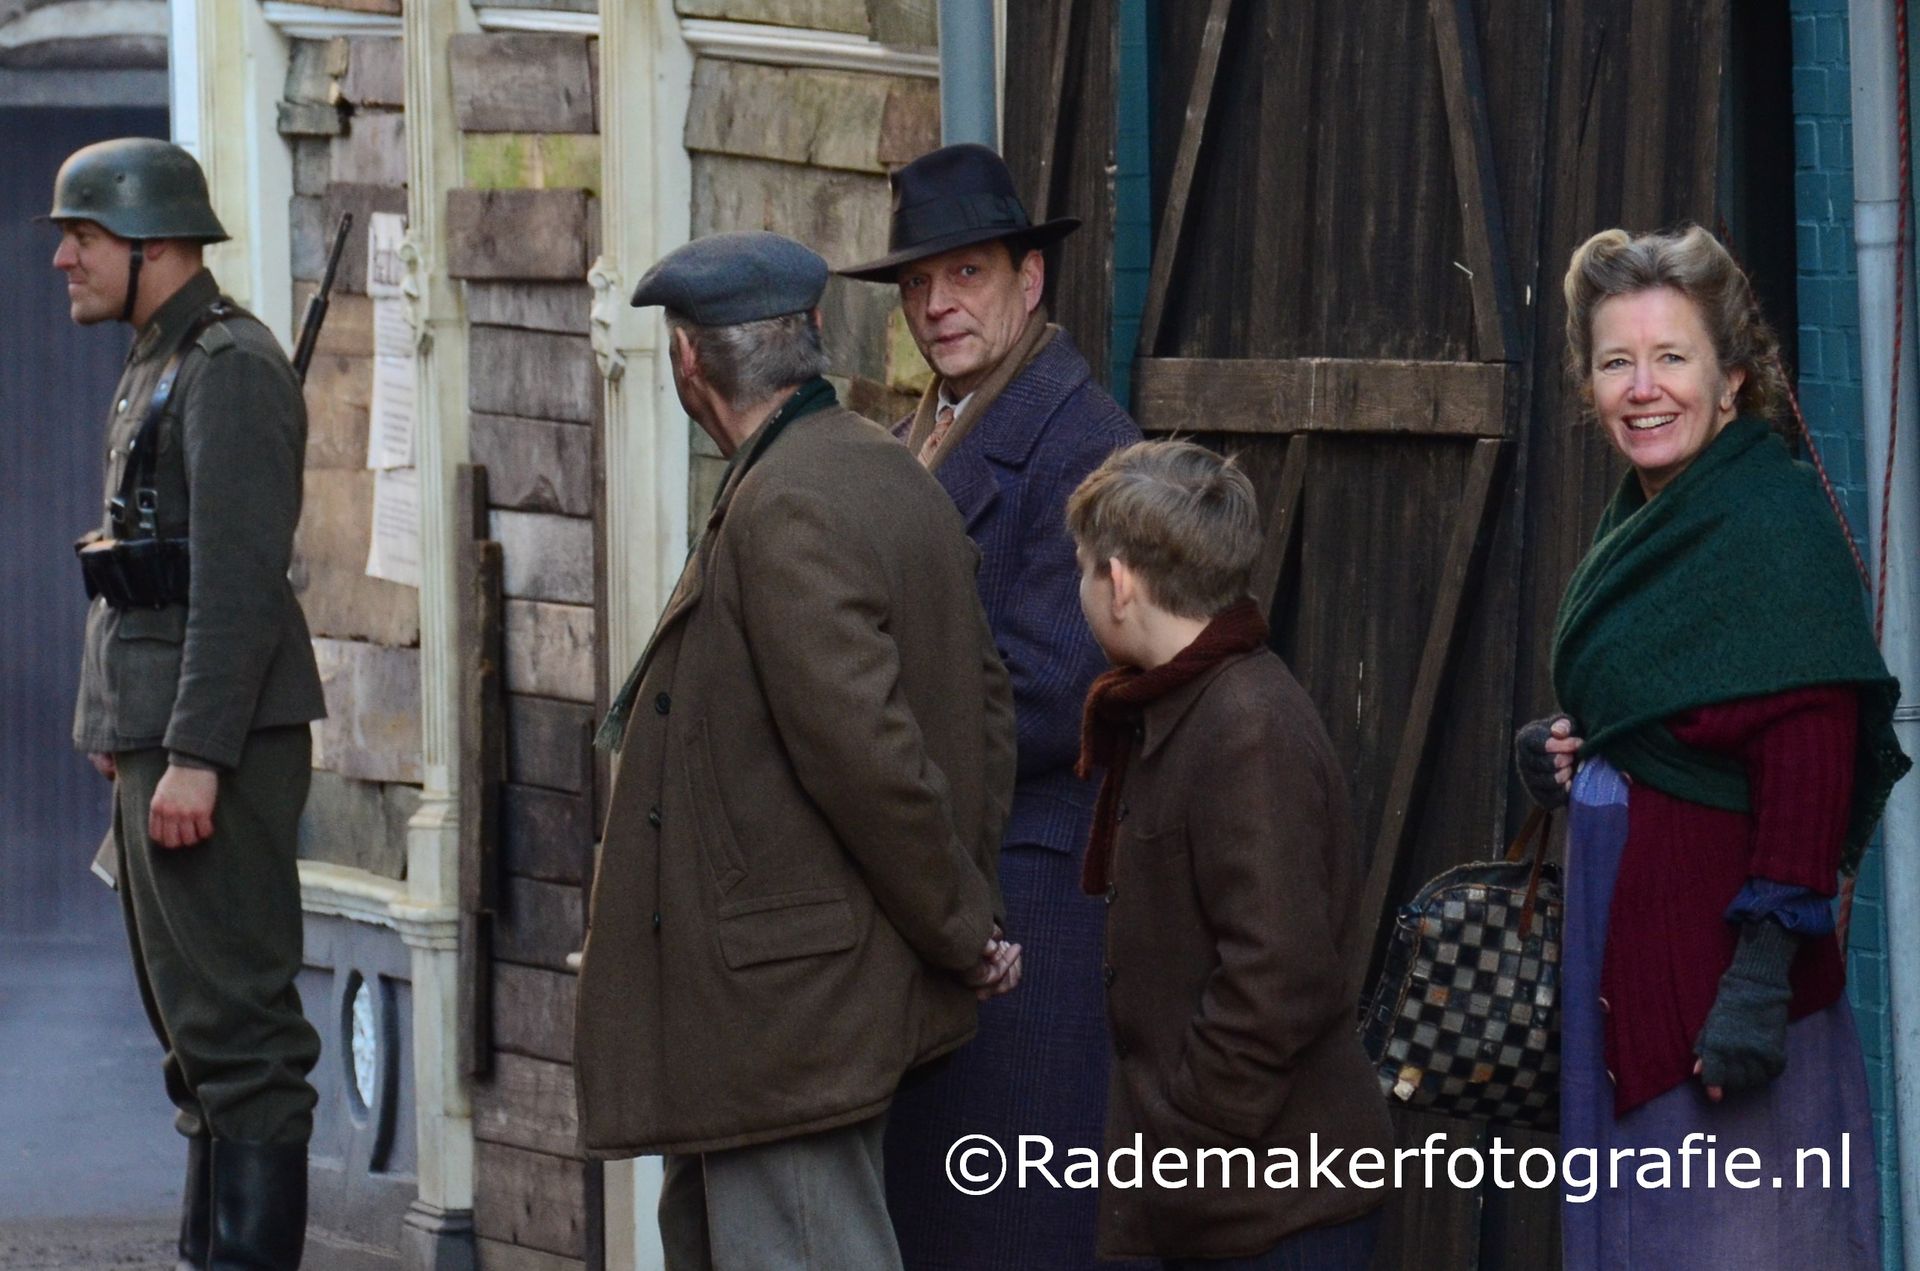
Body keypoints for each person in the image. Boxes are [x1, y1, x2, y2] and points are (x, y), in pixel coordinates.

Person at [571, 231, 1021, 1270]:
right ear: (814, 334)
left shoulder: (786, 505)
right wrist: (971, 900)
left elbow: (871, 758)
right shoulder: (881, 465)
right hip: (783, 1007)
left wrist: (962, 923)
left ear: (688, 362)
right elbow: (987, 710)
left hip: (788, 1013)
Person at [1516, 225, 1910, 1268]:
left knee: (1734, 1235)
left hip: (1723, 977)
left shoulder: (1767, 517)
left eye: (1671, 357)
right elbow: (1674, 707)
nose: (1643, 388)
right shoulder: (1651, 515)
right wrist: (1576, 746)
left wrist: (1759, 978)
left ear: (1731, 377)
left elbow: (1814, 743)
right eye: (1615, 361)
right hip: (1640, 946)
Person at [840, 141, 1143, 1271]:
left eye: (965, 274)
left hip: (1034, 892)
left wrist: (856, 734)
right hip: (946, 884)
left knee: (1011, 1225)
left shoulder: (1085, 445)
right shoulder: (926, 431)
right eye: (918, 284)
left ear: (1031, 280)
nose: (935, 305)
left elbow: (1057, 690)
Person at [50, 137, 327, 1268]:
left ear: (152, 242)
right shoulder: (161, 357)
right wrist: (115, 728)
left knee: (242, 1039)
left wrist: (197, 754)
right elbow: (135, 567)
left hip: (212, 749)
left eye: (83, 236)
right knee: (196, 1044)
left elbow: (236, 582)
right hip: (159, 740)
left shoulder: (230, 367)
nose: (64, 258)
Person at [1066, 440, 1393, 1269]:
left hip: (1270, 1214)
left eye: (1081, 568)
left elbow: (1278, 975)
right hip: (1206, 1209)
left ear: (1120, 581)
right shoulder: (1180, 704)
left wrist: (1185, 1142)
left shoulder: (1246, 727)